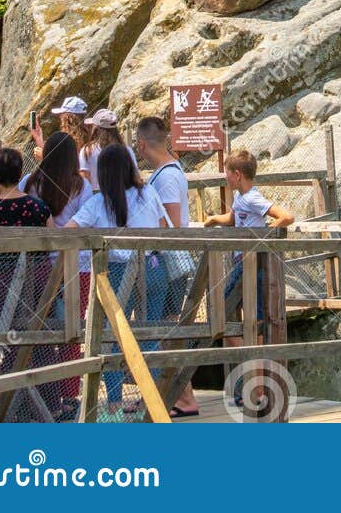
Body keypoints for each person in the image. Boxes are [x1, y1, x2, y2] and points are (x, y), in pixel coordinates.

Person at [65, 144, 167, 414]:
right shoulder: (148, 193)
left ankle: (114, 404)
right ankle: (150, 403)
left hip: (118, 274)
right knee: (151, 334)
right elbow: (164, 227)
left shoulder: (98, 203)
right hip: (154, 267)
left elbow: (69, 230)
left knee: (111, 338)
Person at [23, 131, 93, 419]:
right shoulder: (81, 186)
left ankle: (44, 392)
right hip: (77, 266)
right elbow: (89, 219)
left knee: (41, 331)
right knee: (71, 333)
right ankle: (68, 394)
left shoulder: (31, 183)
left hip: (40, 267)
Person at [135, 116, 197, 418]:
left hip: (170, 261)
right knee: (169, 329)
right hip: (172, 260)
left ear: (143, 143)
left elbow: (170, 224)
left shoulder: (168, 176)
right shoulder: (169, 171)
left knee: (165, 329)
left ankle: (181, 396)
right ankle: (177, 394)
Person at [204, 148, 294, 342]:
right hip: (241, 263)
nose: (225, 178)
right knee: (240, 309)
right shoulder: (239, 197)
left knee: (238, 310)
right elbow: (233, 217)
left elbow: (286, 217)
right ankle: (248, 352)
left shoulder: (253, 198)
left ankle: (253, 357)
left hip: (253, 262)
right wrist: (214, 220)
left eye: (226, 174)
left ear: (237, 175)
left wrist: (264, 235)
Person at [0, 148, 53, 329]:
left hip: (3, 276)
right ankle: (42, 357)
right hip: (39, 274)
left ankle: (9, 357)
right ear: (20, 173)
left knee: (8, 327)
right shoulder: (39, 207)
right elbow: (53, 240)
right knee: (40, 327)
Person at [31, 95, 89, 166]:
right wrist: (38, 138)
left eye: (62, 115)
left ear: (68, 119)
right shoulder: (90, 137)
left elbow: (68, 168)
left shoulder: (71, 142)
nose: (60, 118)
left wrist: (45, 157)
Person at [80, 108, 124, 191]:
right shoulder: (127, 150)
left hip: (95, 198)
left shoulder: (87, 150)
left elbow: (84, 180)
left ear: (96, 128)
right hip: (123, 197)